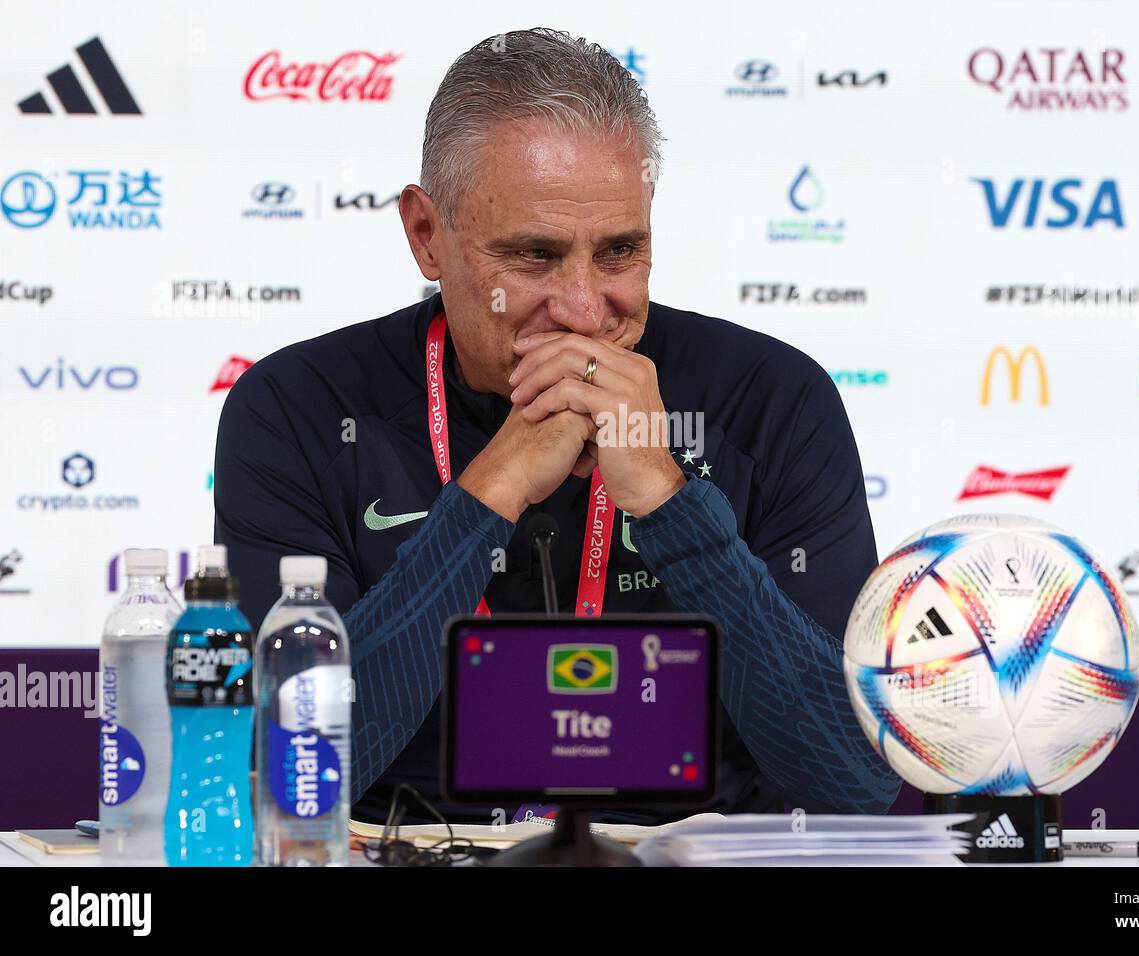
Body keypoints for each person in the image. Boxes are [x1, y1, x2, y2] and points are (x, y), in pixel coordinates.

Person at [214, 27, 898, 822]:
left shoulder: (772, 398)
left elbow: (855, 782)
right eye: (534, 256)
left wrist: (673, 506)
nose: (581, 309)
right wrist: (489, 494)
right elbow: (289, 780)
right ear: (426, 235)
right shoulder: (297, 408)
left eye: (619, 253)